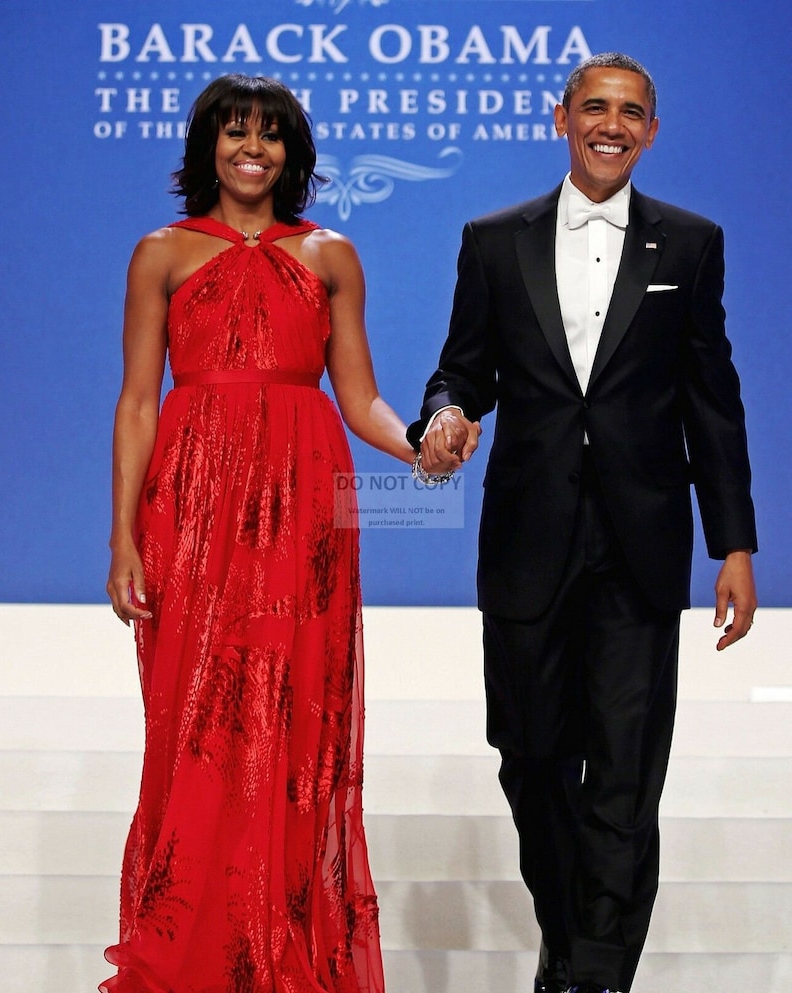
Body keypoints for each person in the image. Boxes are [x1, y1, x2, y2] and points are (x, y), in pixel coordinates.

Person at [408, 52, 758, 993]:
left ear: (652, 131)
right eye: (595, 107)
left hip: (641, 545)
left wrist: (733, 543)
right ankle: (568, 941)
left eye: (631, 112)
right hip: (529, 539)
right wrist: (446, 413)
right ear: (560, 118)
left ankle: (596, 972)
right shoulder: (494, 239)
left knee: (625, 769)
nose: (612, 124)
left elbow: (712, 401)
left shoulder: (691, 243)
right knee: (530, 757)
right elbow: (461, 368)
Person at [104, 73, 414, 993]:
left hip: (304, 501)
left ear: (292, 153)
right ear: (207, 145)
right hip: (191, 503)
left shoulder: (330, 255)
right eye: (235, 131)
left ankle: (280, 947)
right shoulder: (161, 253)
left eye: (270, 135)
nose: (252, 149)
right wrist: (122, 537)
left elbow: (360, 398)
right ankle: (195, 950)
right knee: (196, 716)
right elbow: (137, 402)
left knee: (293, 716)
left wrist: (421, 446)